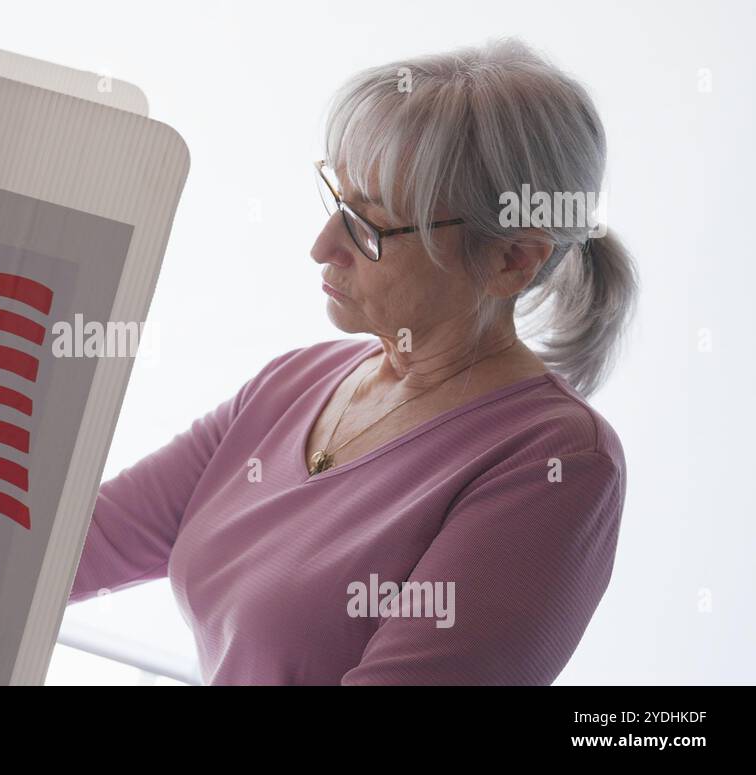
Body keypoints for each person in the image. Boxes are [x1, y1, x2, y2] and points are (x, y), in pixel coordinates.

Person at [66, 37, 638, 685]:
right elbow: (71, 544)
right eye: (336, 201)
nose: (322, 246)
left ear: (512, 259)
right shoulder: (295, 382)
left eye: (369, 226)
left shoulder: (556, 463)